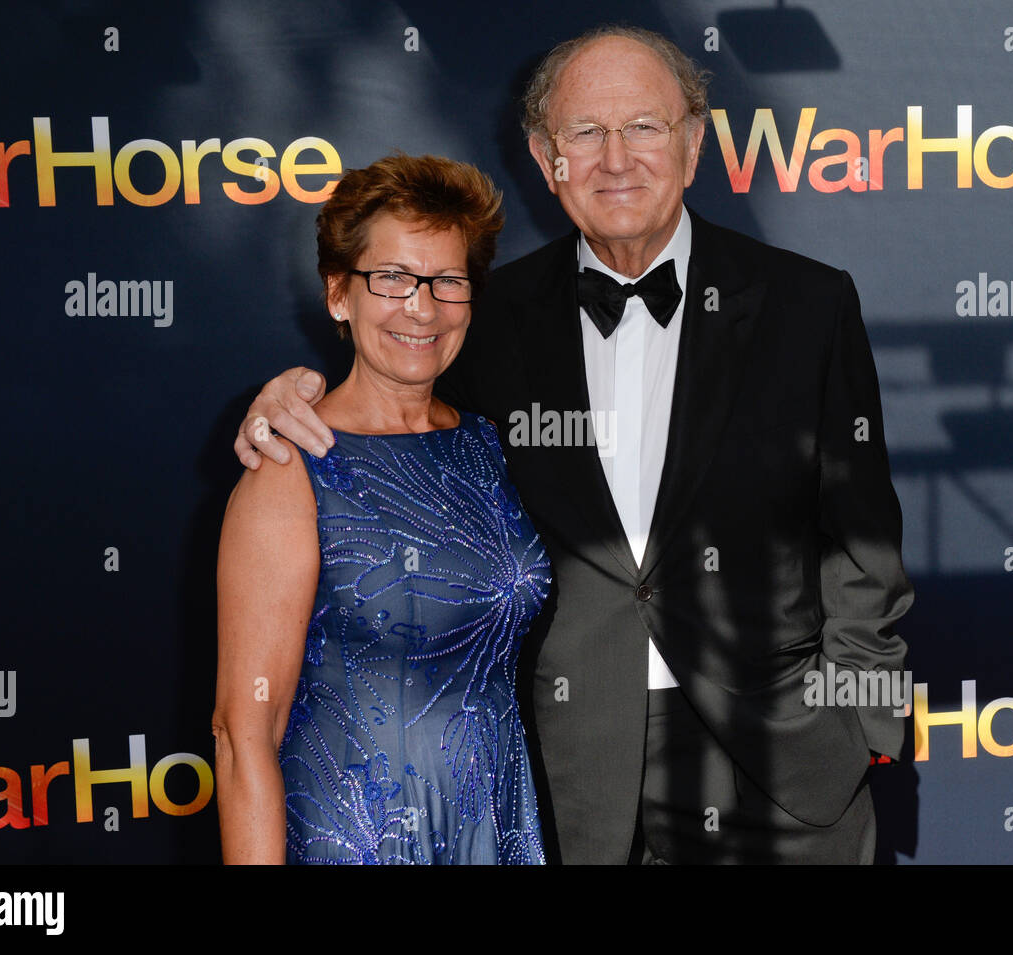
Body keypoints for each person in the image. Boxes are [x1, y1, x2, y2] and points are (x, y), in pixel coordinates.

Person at [234, 26, 912, 865]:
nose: (615, 157)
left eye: (645, 127)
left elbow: (865, 544)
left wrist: (868, 725)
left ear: (694, 143)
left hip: (785, 766)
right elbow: (396, 404)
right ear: (545, 157)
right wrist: (286, 398)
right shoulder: (484, 319)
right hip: (574, 783)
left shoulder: (808, 306)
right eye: (585, 132)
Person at [212, 153, 551, 864]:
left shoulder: (489, 445)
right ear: (339, 293)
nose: (421, 306)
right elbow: (245, 732)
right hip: (355, 840)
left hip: (495, 830)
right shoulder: (291, 466)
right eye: (391, 277)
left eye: (447, 281)